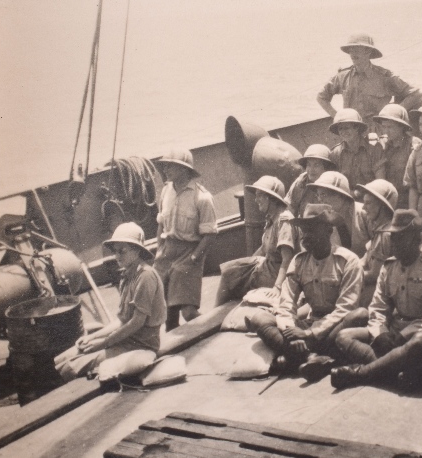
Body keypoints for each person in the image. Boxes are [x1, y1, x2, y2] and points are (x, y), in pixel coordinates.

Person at [331, 209, 422, 390]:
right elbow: (378, 307)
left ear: (416, 239)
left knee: (420, 341)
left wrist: (405, 335)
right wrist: (380, 333)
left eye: (400, 237)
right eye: (392, 237)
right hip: (394, 330)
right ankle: (395, 372)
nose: (393, 242)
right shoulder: (389, 267)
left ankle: (362, 373)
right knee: (344, 336)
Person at [246, 204, 364, 381]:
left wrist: (309, 334)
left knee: (358, 316)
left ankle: (295, 357)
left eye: (312, 230)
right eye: (304, 230)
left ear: (328, 231)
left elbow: (346, 308)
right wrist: (291, 332)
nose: (305, 236)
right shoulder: (299, 261)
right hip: (308, 325)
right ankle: (311, 357)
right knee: (259, 319)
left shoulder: (348, 261)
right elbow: (286, 303)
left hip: (334, 328)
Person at [55, 223, 166, 381]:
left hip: (141, 344)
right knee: (63, 358)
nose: (117, 256)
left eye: (122, 251)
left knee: (71, 366)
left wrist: (103, 343)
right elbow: (121, 320)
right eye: (115, 251)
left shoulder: (145, 276)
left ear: (137, 250)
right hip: (125, 339)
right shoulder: (127, 276)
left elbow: (137, 322)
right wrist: (92, 338)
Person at [153, 149, 217, 331]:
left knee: (188, 312)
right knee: (166, 309)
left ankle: (213, 329)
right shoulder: (166, 191)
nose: (165, 169)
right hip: (166, 252)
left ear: (183, 169)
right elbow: (161, 223)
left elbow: (210, 234)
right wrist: (159, 249)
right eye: (165, 166)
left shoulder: (202, 197)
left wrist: (194, 258)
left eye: (170, 166)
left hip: (189, 253)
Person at [215, 176, 297, 305]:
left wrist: (277, 287)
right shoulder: (272, 218)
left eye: (260, 195)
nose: (256, 199)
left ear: (271, 198)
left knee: (228, 276)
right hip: (266, 268)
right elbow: (264, 249)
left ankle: (217, 311)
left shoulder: (283, 221)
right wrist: (244, 267)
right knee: (230, 271)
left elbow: (287, 259)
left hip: (276, 275)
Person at [316, 33, 422, 126]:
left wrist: (394, 115)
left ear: (368, 51)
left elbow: (416, 94)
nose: (352, 54)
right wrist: (339, 118)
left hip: (378, 131)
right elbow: (321, 97)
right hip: (353, 131)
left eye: (356, 49)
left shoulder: (384, 76)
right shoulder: (342, 76)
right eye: (350, 50)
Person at [356, 179, 398, 307]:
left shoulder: (385, 235)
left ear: (382, 206)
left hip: (380, 297)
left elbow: (374, 275)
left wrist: (348, 275)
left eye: (368, 203)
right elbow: (363, 261)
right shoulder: (379, 231)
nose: (364, 207)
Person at [306, 171, 369, 258]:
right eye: (318, 195)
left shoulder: (364, 213)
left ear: (340, 195)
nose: (320, 199)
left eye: (323, 194)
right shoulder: (325, 218)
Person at [373, 104, 420, 209]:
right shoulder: (381, 144)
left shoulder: (413, 145)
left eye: (390, 127)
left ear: (401, 127)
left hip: (409, 201)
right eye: (384, 127)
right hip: (387, 200)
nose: (386, 131)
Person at [329, 108, 384, 195]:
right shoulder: (336, 153)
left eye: (347, 128)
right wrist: (354, 194)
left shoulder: (374, 149)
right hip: (346, 197)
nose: (343, 132)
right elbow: (333, 185)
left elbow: (381, 183)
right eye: (340, 129)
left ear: (357, 128)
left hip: (372, 197)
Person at [285, 144, 337, 218]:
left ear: (326, 167)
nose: (311, 170)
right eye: (309, 165)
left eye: (316, 165)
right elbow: (289, 207)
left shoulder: (333, 184)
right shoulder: (302, 181)